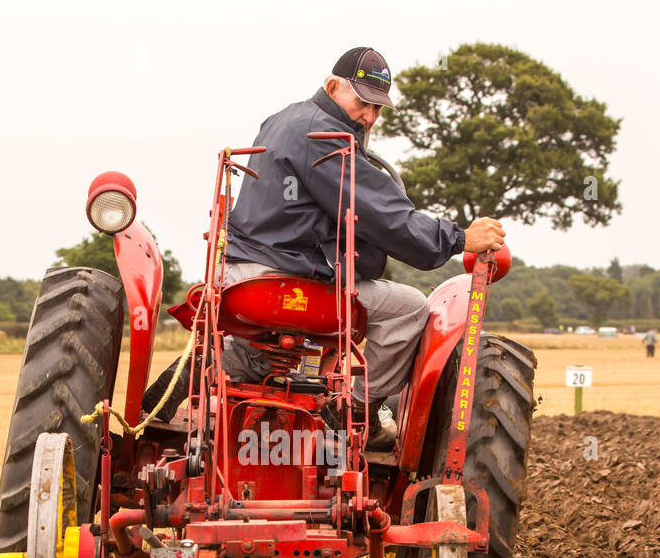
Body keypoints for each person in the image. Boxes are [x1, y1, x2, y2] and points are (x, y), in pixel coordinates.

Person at [143, 46, 504, 448]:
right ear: (333, 86)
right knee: (411, 308)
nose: (370, 116)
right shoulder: (326, 137)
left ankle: (213, 360)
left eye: (379, 109)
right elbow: (384, 212)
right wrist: (456, 238)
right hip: (291, 279)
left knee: (263, 350)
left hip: (239, 282)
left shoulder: (282, 119)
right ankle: (357, 409)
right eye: (363, 103)